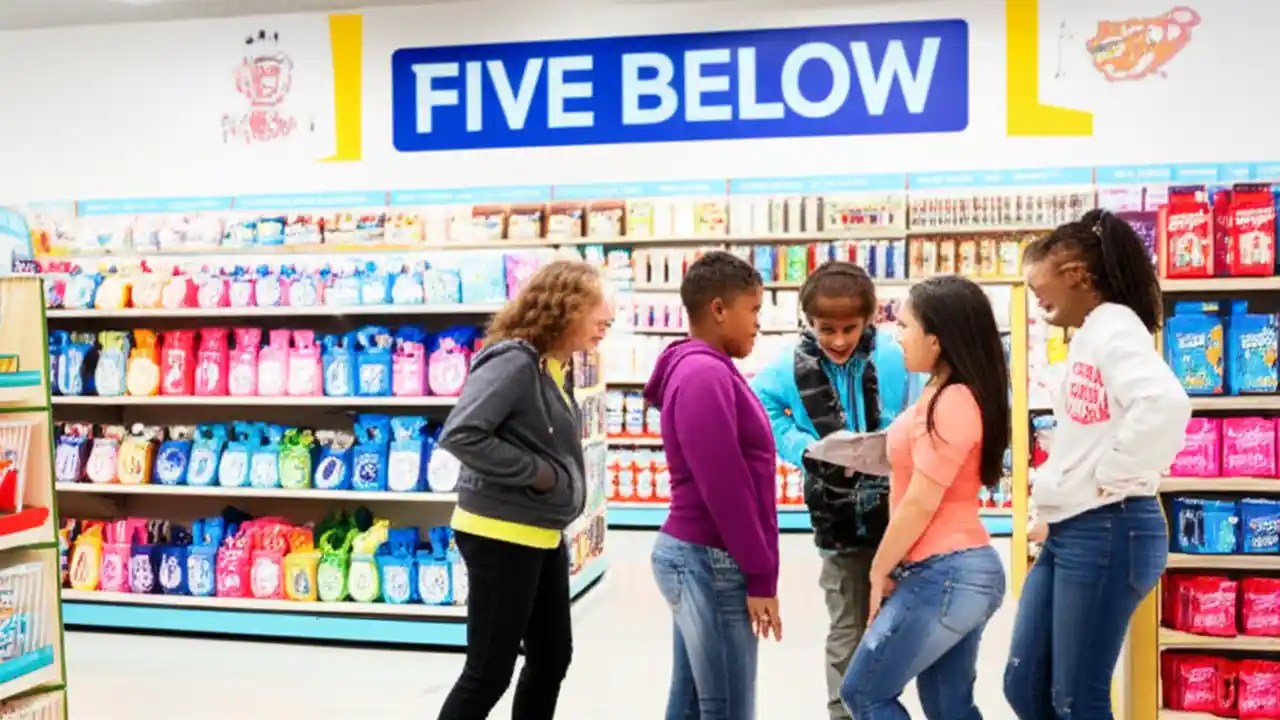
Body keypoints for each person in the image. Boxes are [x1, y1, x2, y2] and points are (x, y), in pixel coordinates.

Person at [1005, 209, 1190, 719]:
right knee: (1026, 687)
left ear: (1075, 275)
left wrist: (1110, 476)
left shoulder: (1115, 327)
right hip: (1074, 529)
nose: (1035, 295)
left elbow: (1166, 404)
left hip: (1111, 527)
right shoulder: (1090, 333)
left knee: (1077, 699)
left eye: (1036, 282)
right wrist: (1062, 498)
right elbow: (1085, 434)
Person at [435, 260, 613, 720]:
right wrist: (539, 474)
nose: (607, 323)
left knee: (552, 656)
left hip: (540, 533)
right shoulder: (514, 360)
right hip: (500, 534)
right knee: (489, 672)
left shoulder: (555, 365)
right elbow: (462, 433)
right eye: (600, 312)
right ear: (567, 307)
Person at [839, 275, 1010, 719]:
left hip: (946, 571)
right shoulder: (939, 392)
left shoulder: (952, 401)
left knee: (864, 693)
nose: (899, 335)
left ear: (935, 340)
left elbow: (920, 501)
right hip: (951, 570)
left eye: (907, 325)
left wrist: (879, 569)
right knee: (948, 704)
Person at [750, 261, 910, 720]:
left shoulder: (896, 358)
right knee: (847, 623)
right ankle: (843, 712)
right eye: (826, 329)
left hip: (898, 512)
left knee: (897, 621)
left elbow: (916, 409)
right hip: (836, 521)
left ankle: (883, 704)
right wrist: (806, 448)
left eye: (850, 328)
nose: (839, 340)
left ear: (871, 319)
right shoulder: (785, 368)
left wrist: (887, 437)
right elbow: (765, 410)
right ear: (807, 320)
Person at [645, 251, 782, 720]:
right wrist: (760, 575)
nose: (758, 324)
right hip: (710, 556)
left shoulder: (710, 368)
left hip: (705, 554)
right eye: (755, 310)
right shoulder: (703, 374)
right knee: (726, 706)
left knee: (691, 702)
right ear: (720, 309)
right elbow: (724, 485)